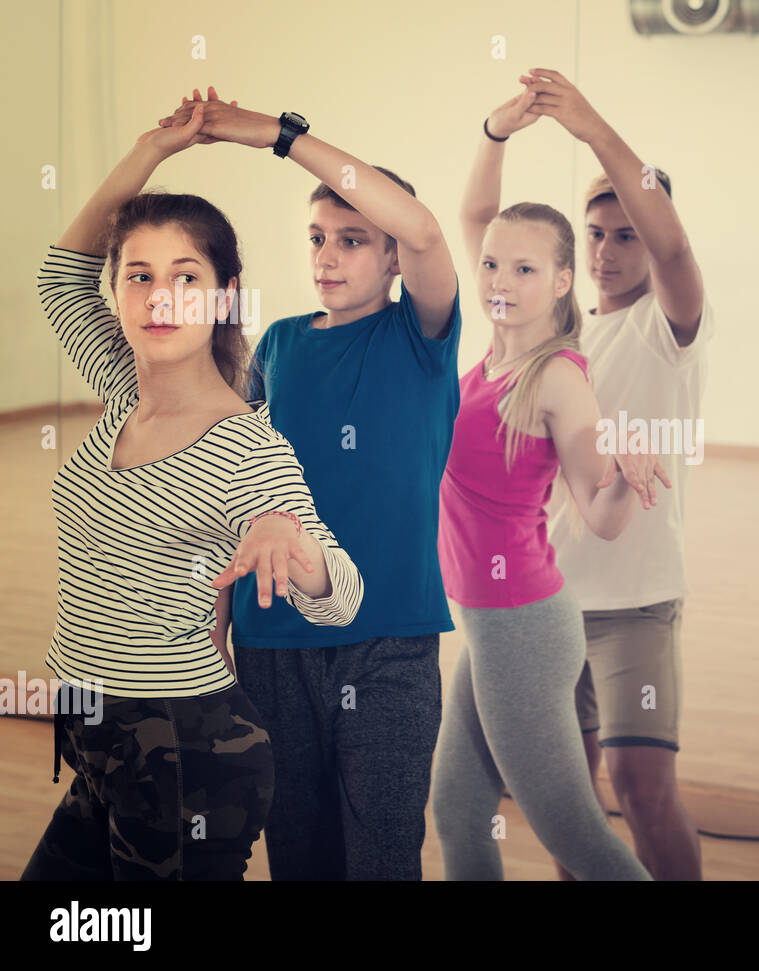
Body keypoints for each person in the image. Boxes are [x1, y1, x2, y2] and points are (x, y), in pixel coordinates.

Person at [22, 103, 363, 881]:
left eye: (187, 277)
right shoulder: (122, 389)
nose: (160, 297)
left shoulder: (248, 447)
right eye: (139, 276)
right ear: (118, 290)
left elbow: (340, 594)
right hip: (102, 744)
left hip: (184, 756)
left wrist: (294, 545)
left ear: (224, 295)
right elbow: (59, 276)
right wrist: (151, 148)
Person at [155, 88, 461, 880]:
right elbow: (241, 477)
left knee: (382, 853)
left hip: (389, 643)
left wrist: (277, 137)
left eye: (353, 240)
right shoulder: (282, 344)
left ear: (393, 257)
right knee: (297, 850)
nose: (327, 256)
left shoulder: (421, 337)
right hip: (275, 637)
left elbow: (425, 226)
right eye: (318, 237)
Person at [463, 73, 713, 880]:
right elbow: (477, 227)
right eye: (595, 234)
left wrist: (591, 127)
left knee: (643, 789)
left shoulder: (669, 325)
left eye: (625, 234)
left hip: (635, 601)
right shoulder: (549, 329)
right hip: (549, 604)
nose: (608, 251)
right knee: (570, 805)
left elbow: (673, 247)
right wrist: (495, 133)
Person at [431, 200, 653, 881]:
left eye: (525, 268)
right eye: (493, 263)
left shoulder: (556, 374)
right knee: (457, 811)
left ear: (562, 280)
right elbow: (473, 210)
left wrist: (628, 476)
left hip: (521, 624)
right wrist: (496, 130)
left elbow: (601, 513)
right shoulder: (492, 361)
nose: (501, 280)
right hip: (490, 624)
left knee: (573, 831)